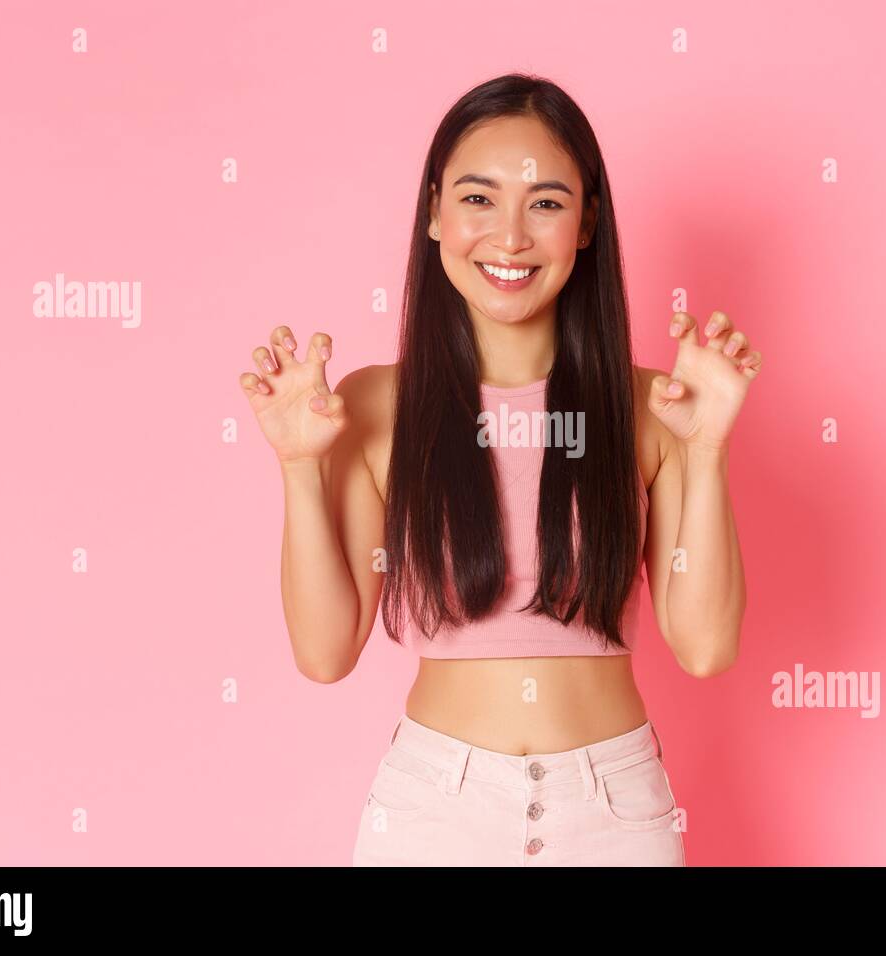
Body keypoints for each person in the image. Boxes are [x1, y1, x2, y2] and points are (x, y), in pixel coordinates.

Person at [237, 73, 762, 866]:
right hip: (431, 813)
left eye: (546, 203)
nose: (509, 237)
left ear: (586, 222)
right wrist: (299, 468)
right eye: (479, 199)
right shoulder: (376, 404)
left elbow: (706, 647)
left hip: (614, 813)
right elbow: (324, 653)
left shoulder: (656, 404)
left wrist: (709, 447)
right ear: (434, 211)